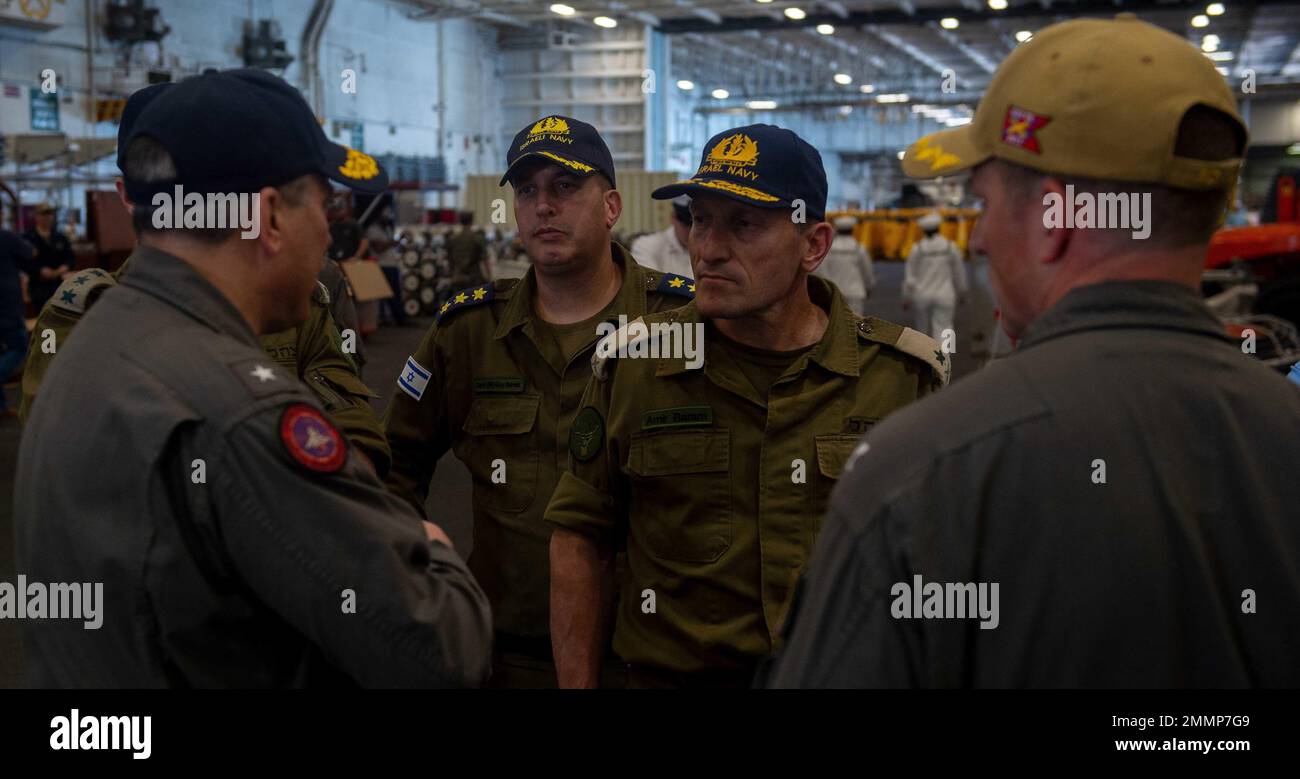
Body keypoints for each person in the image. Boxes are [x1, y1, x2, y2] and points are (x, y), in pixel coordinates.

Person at [767, 14, 1300, 688]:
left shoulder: (918, 471)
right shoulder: (1283, 431)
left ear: (1056, 221)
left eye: (984, 204)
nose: (981, 238)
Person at [14, 68, 491, 688]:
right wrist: (428, 548)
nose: (329, 230)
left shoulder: (93, 342)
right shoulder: (240, 410)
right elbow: (441, 649)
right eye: (324, 202)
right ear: (267, 217)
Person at [545, 124, 947, 689]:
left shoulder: (901, 378)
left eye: (744, 224)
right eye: (701, 220)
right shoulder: (634, 367)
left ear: (814, 245)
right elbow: (581, 540)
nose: (708, 249)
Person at [382, 115, 694, 688]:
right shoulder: (468, 331)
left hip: (652, 658)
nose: (543, 206)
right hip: (505, 658)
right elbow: (392, 465)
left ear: (611, 207)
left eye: (565, 186)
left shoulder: (680, 325)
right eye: (527, 190)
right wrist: (419, 575)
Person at [17, 82, 391, 477]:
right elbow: (79, 477)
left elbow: (352, 421)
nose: (327, 233)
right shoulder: (86, 314)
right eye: (319, 203)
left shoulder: (297, 299)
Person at [902, 211, 967, 341]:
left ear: (923, 231)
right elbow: (959, 273)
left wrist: (906, 297)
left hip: (922, 295)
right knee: (945, 328)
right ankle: (945, 359)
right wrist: (962, 293)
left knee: (922, 332)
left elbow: (910, 276)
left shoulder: (917, 249)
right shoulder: (950, 247)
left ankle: (924, 359)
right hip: (945, 295)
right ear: (939, 228)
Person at [0, 226, 34, 418]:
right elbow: (31, 252)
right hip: (7, 305)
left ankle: (1, 407)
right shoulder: (6, 237)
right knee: (19, 347)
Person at [815, 215, 874, 314]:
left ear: (837, 229)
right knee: (855, 324)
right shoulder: (859, 249)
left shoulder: (828, 248)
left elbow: (821, 270)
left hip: (834, 293)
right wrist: (868, 287)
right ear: (852, 230)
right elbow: (867, 271)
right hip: (855, 292)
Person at [22, 203, 75, 312]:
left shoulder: (60, 237)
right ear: (36, 216)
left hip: (60, 285)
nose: (47, 218)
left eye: (50, 214)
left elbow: (70, 258)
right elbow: (23, 262)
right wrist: (40, 270)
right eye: (43, 214)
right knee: (43, 319)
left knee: (60, 317)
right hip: (38, 286)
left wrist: (64, 267)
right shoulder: (27, 238)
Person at [629, 195, 692, 279]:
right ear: (673, 217)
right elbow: (652, 287)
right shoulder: (645, 246)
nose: (691, 230)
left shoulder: (707, 250)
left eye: (698, 223)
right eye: (686, 224)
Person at [446, 210, 487, 288]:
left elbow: (450, 261)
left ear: (460, 221)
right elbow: (485, 260)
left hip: (457, 278)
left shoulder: (453, 239)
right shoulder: (477, 238)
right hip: (474, 279)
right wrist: (489, 277)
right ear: (472, 221)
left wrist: (451, 276)